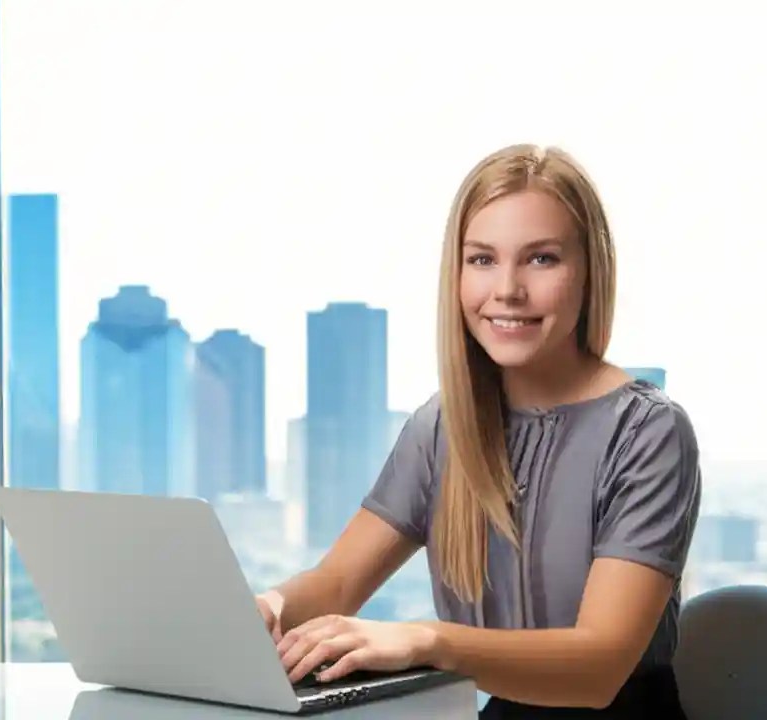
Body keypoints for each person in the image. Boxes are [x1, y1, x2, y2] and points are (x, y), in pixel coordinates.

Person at [255, 144, 701, 719]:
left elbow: (599, 667)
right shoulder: (443, 426)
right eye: (483, 259)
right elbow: (338, 582)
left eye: (541, 259)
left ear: (589, 273)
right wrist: (267, 607)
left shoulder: (648, 432)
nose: (507, 289)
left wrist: (428, 640)